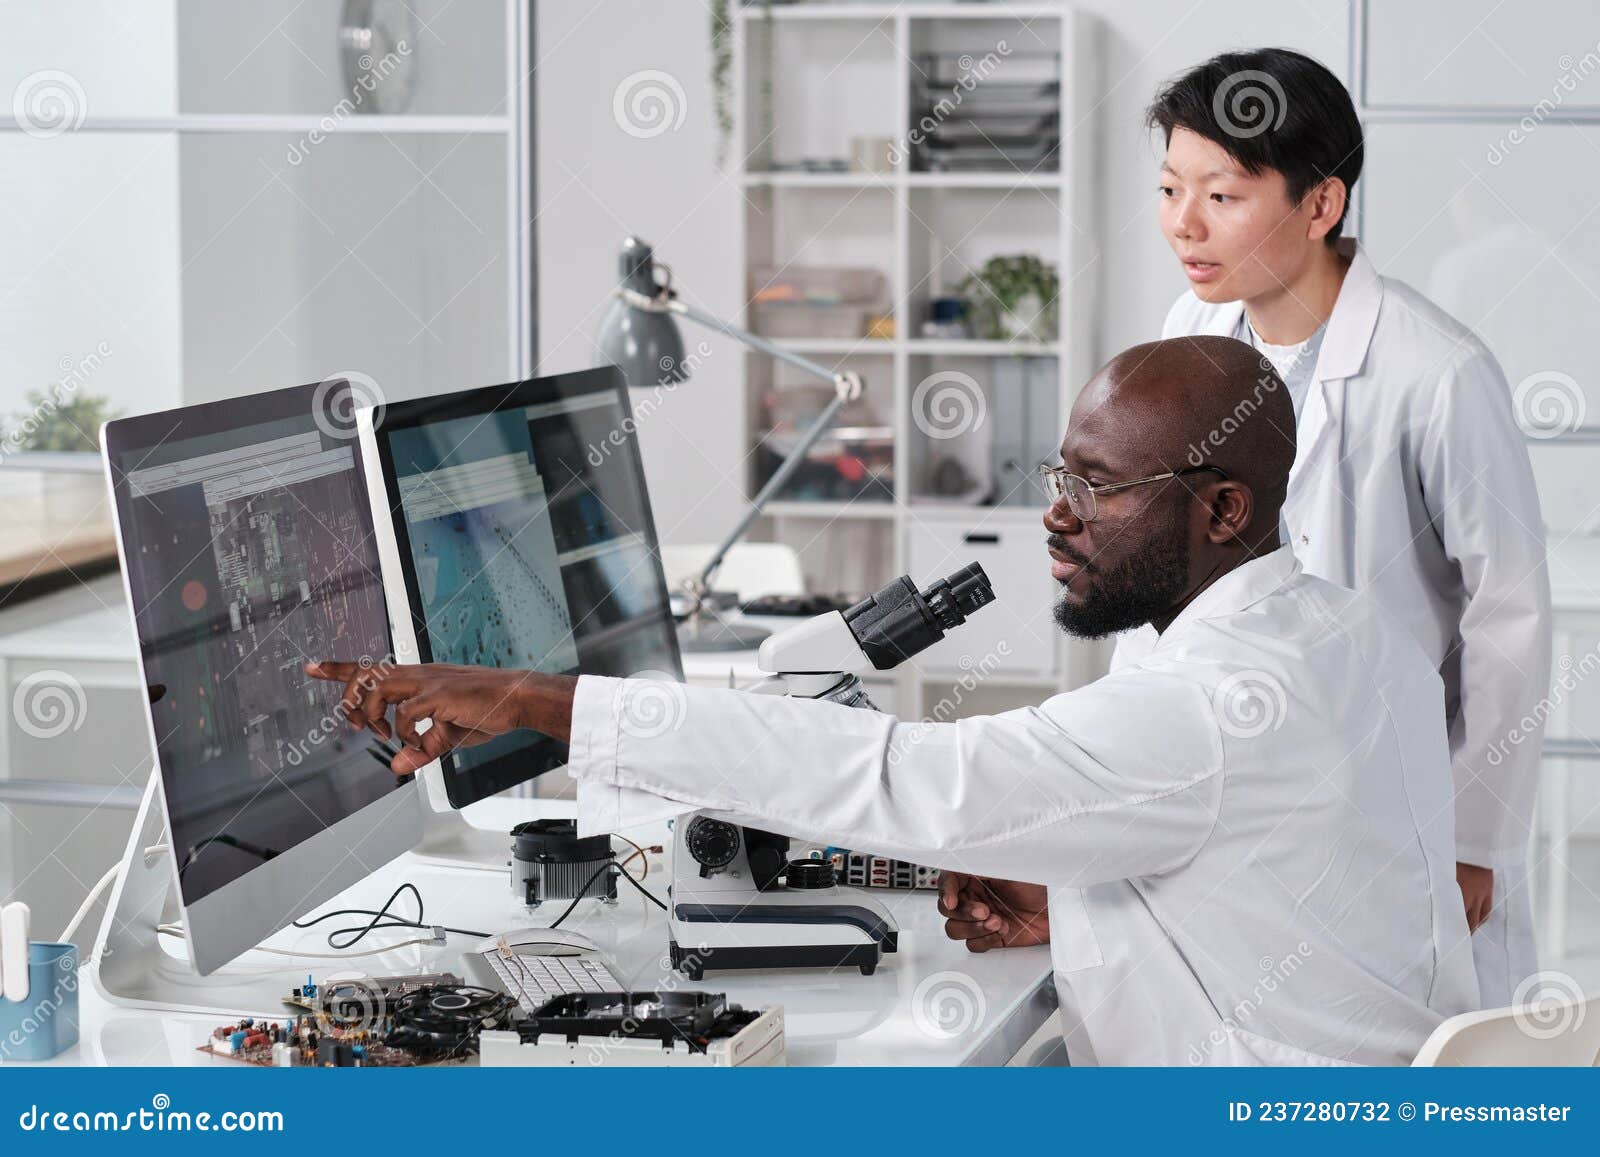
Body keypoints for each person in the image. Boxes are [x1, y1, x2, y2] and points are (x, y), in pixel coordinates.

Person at [310, 336, 1478, 1066]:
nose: (1056, 514)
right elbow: (1286, 898)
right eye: (1058, 474)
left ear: (1223, 511)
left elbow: (909, 779)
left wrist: (545, 699)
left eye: (1100, 486)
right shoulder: (1350, 626)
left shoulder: (1213, 704)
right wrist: (1083, 908)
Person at [950, 48, 1553, 1010]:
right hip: (1231, 770)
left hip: (1388, 793)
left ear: (1321, 205)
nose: (1183, 223)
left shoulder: (1431, 372)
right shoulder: (1191, 327)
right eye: (1168, 188)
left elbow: (1511, 615)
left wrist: (1473, 833)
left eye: (1223, 195)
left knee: (1402, 1063)